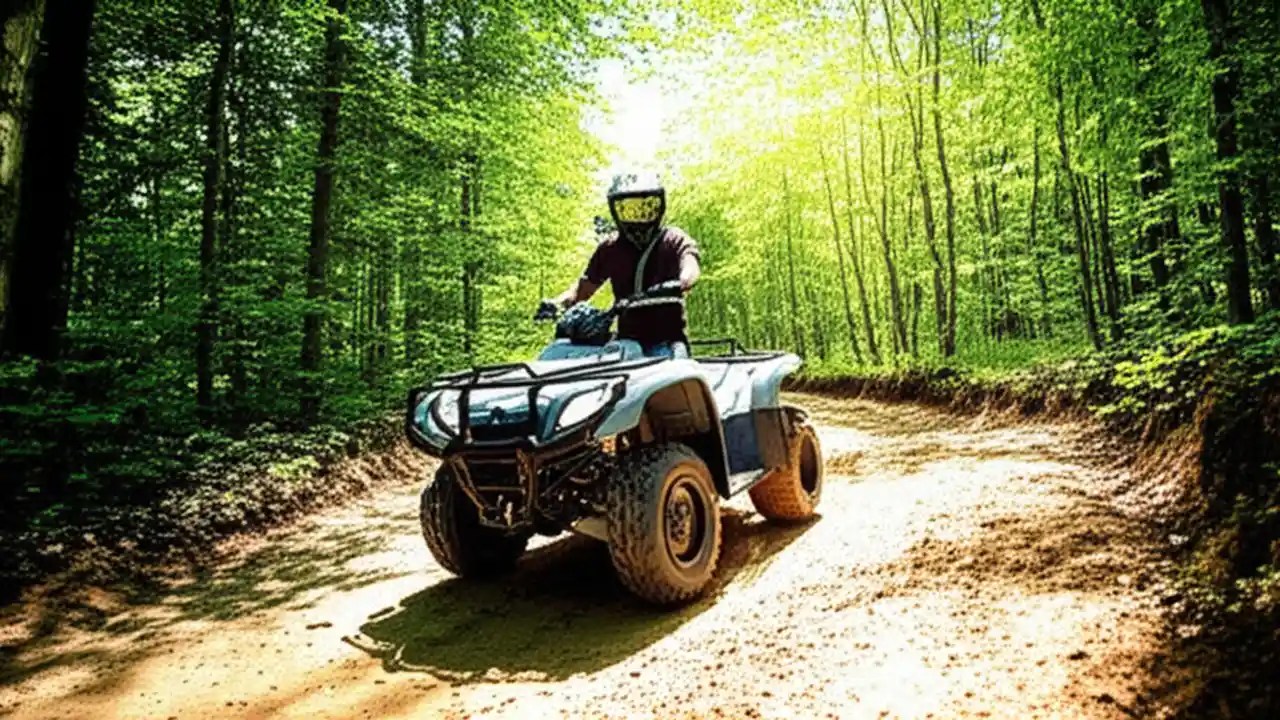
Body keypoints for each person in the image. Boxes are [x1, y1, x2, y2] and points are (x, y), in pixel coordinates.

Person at [537, 173, 701, 358]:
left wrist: (681, 282)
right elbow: (582, 290)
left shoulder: (672, 239)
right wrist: (556, 304)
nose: (639, 218)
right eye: (629, 211)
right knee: (556, 353)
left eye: (647, 208)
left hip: (667, 342)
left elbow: (690, 264)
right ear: (616, 211)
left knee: (673, 364)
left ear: (660, 208)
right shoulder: (610, 248)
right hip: (627, 343)